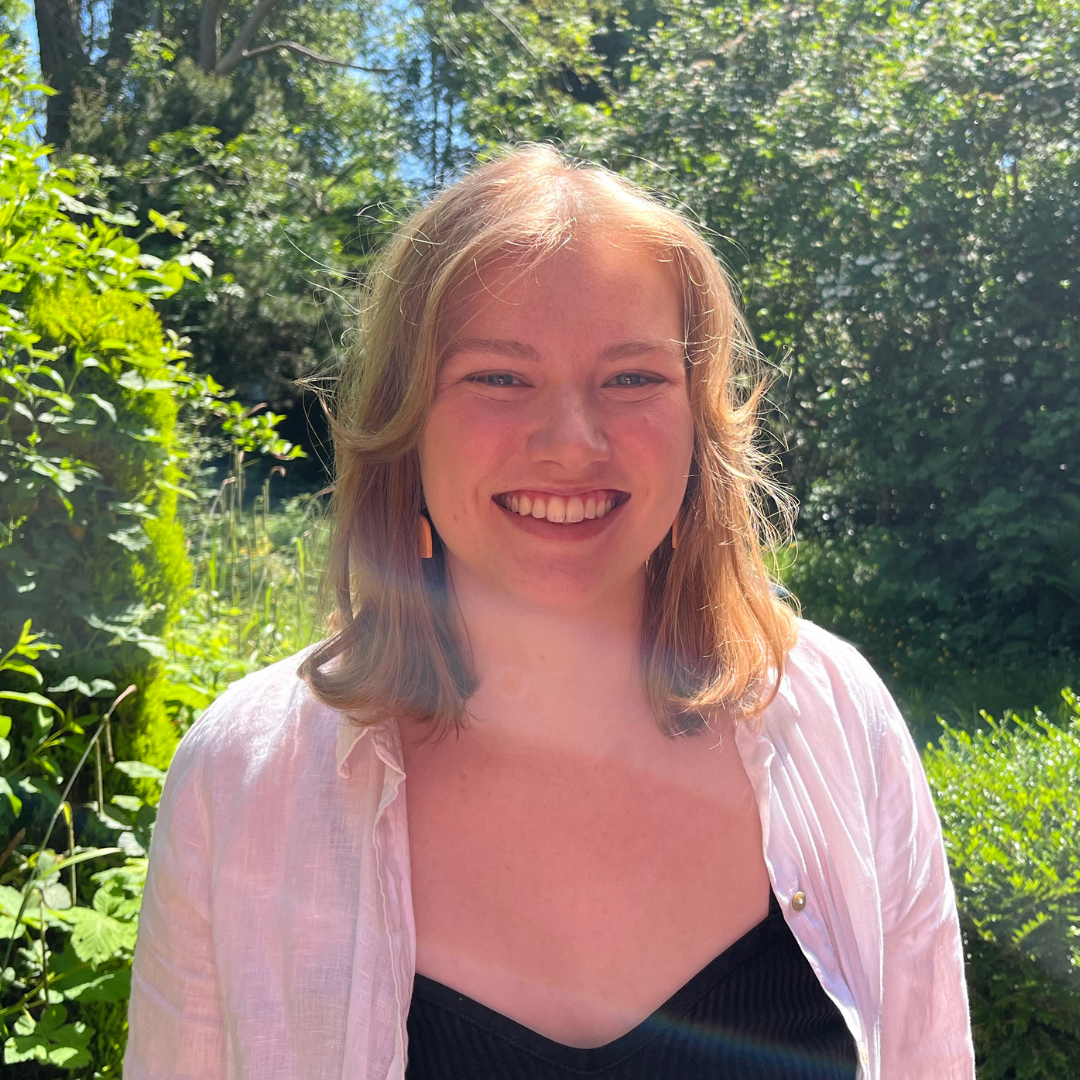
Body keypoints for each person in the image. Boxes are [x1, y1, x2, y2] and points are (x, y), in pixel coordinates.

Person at [124, 146, 976, 1080]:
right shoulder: (244, 780)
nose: (572, 443)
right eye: (499, 377)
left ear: (699, 422)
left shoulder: (836, 715)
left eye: (632, 378)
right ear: (404, 426)